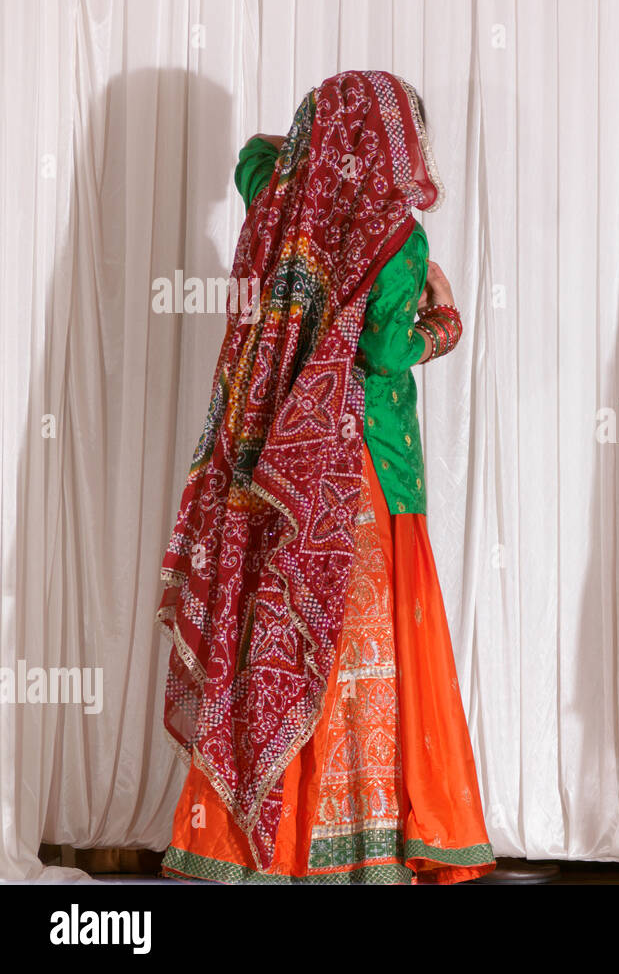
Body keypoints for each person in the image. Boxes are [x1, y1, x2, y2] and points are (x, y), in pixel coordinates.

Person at [156, 70, 494, 883]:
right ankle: (362, 846)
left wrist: (313, 151)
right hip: (367, 477)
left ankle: (255, 844)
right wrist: (442, 324)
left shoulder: (280, 205)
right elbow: (383, 353)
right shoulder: (396, 238)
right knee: (360, 648)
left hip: (272, 473)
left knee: (278, 634)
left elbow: (252, 157)